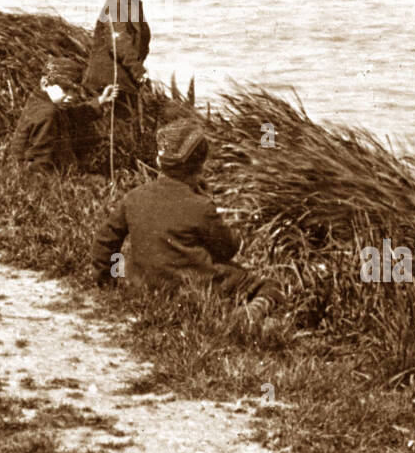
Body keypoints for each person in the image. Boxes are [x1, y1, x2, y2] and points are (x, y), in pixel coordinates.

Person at [91, 118, 284, 323]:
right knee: (267, 285)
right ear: (201, 163)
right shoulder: (200, 206)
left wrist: (107, 281)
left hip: (143, 287)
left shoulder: (134, 196)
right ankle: (246, 316)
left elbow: (105, 241)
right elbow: (228, 249)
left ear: (159, 161)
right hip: (192, 289)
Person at [82, 0, 151, 141]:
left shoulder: (131, 3)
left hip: (122, 80)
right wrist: (139, 72)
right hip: (109, 82)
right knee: (116, 137)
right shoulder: (115, 4)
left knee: (124, 134)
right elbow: (119, 43)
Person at [8, 56, 117, 172]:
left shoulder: (43, 102)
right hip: (39, 175)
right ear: (45, 84)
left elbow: (72, 115)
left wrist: (101, 100)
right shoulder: (46, 114)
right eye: (66, 89)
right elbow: (40, 162)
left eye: (74, 90)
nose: (71, 95)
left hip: (46, 171)